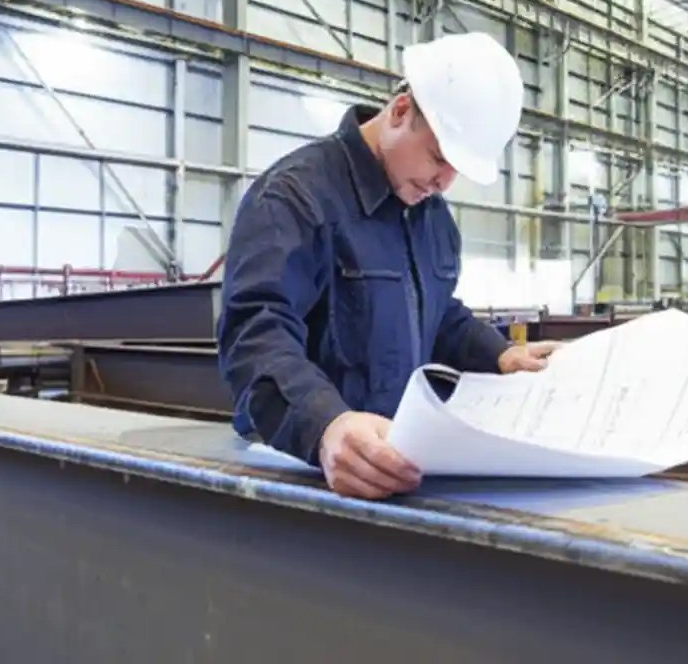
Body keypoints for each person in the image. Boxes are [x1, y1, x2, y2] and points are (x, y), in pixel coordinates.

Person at [217, 31, 560, 500]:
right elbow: (256, 332)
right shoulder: (295, 197)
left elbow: (438, 313)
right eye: (440, 157)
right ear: (400, 111)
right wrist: (327, 426)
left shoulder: (432, 217)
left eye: (457, 169)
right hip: (302, 469)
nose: (445, 182)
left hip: (394, 463)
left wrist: (499, 355)